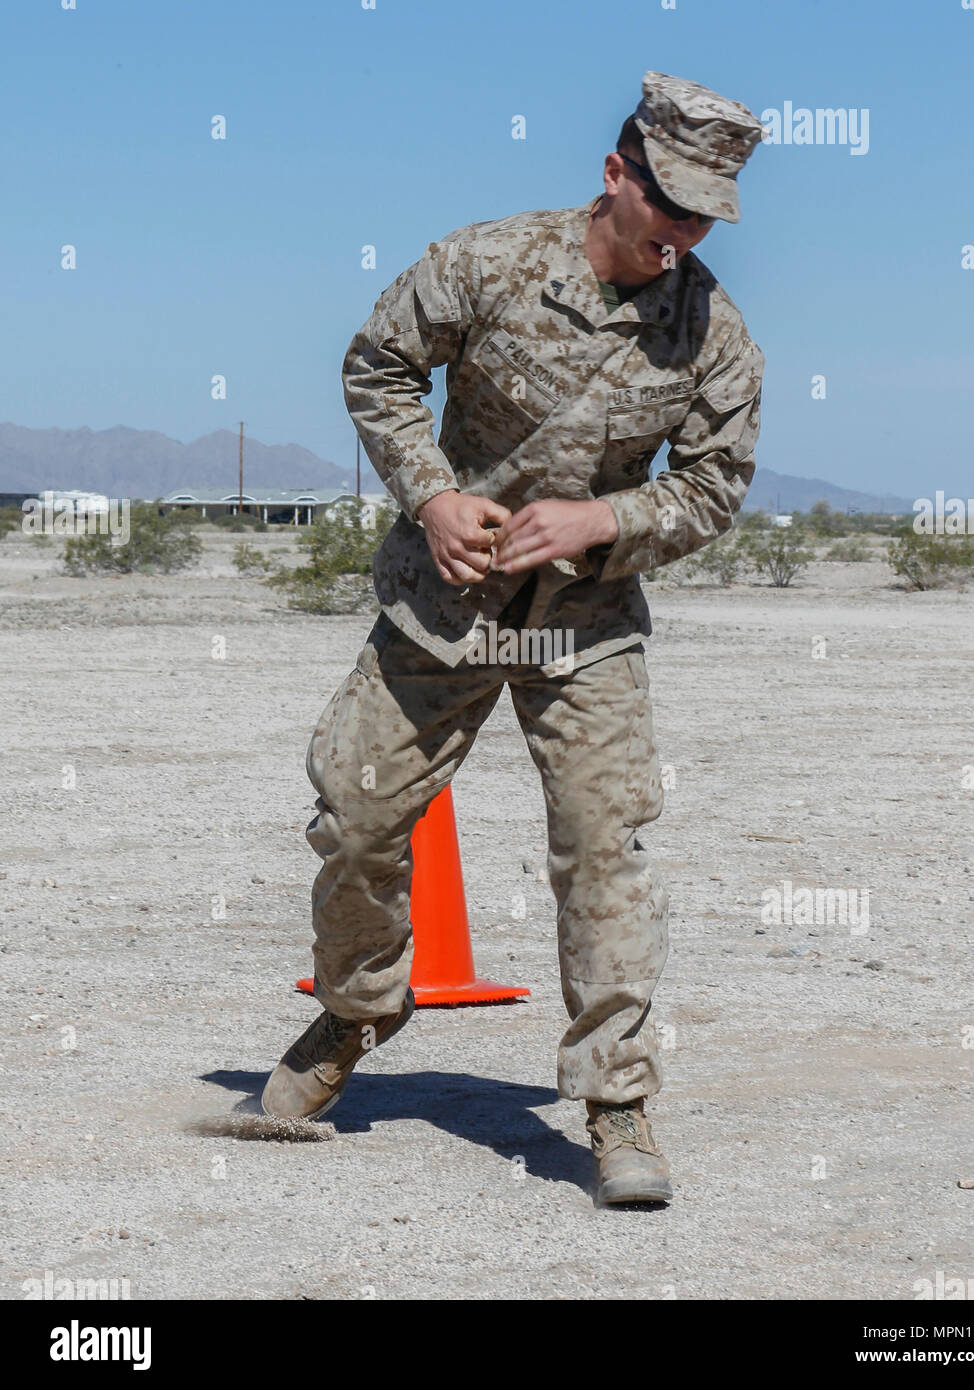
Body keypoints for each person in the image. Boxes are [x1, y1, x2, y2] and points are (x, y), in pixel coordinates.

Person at [262, 72, 765, 1207]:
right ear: (612, 175)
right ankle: (352, 1013)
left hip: (582, 627)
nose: (678, 235)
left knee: (604, 847)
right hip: (441, 607)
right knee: (353, 811)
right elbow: (377, 365)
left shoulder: (712, 333)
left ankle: (615, 1099)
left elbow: (712, 486)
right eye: (666, 204)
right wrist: (433, 495)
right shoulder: (485, 262)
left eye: (701, 217)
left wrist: (606, 519)